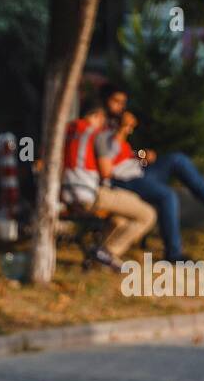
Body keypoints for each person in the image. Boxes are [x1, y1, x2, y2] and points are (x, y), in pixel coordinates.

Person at [97, 84, 204, 262]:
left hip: (136, 170)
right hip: (121, 180)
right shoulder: (99, 125)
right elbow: (108, 161)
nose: (120, 106)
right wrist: (122, 130)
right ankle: (174, 254)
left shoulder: (116, 124)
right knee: (167, 196)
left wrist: (143, 155)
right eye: (116, 101)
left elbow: (127, 154)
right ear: (104, 101)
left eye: (123, 103)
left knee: (177, 160)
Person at [61, 98, 156, 271]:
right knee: (147, 214)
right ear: (98, 116)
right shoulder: (98, 135)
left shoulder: (63, 131)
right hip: (90, 193)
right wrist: (139, 154)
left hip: (64, 193)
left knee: (120, 220)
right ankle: (107, 253)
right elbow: (108, 169)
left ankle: (99, 258)